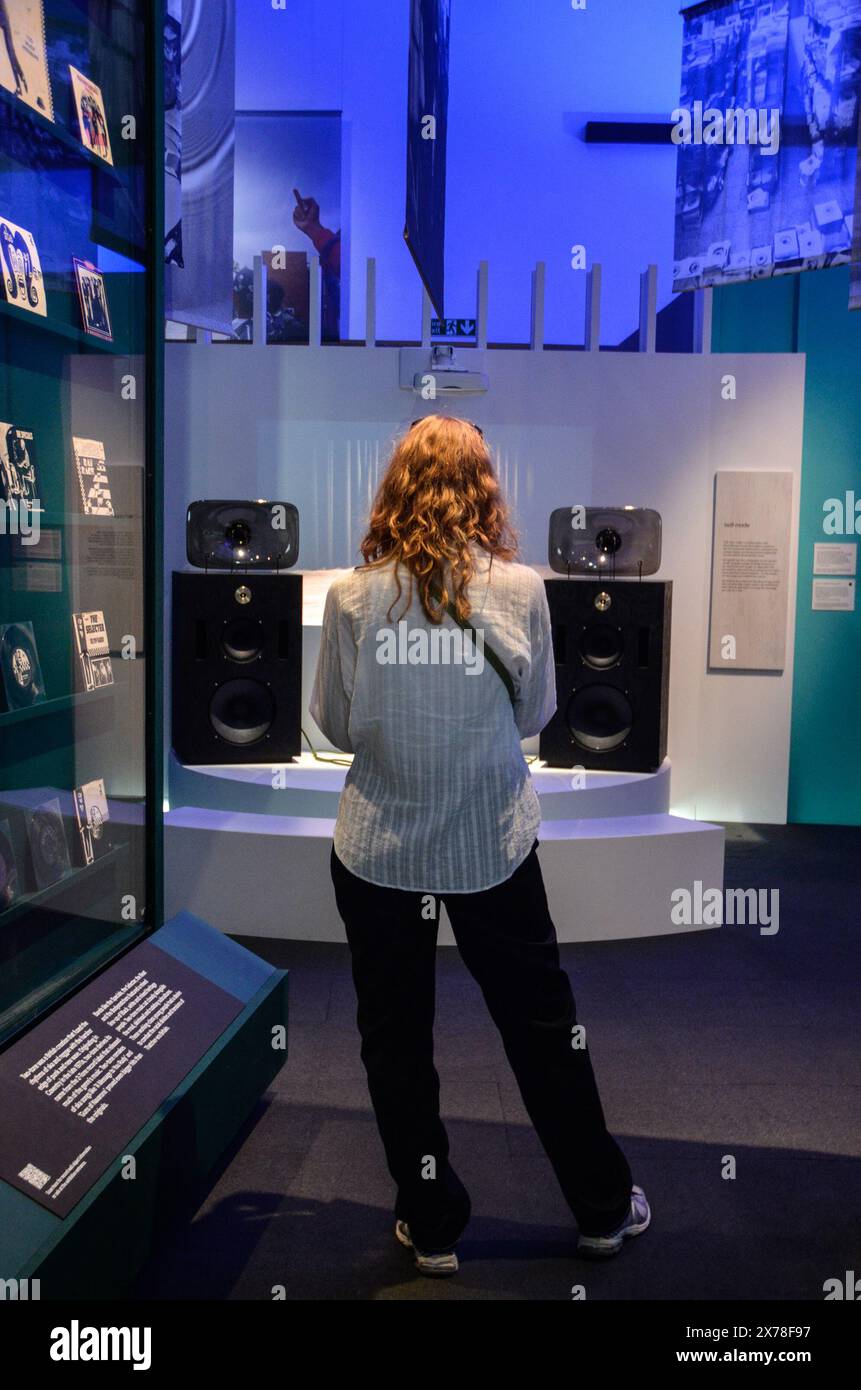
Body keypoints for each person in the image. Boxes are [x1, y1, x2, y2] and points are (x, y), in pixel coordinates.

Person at [310, 416, 649, 1278]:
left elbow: (336, 727)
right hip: (491, 842)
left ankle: (431, 1224)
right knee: (543, 1029)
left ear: (393, 487)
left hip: (378, 850)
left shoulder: (352, 598)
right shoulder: (523, 589)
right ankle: (602, 1208)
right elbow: (536, 715)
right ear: (482, 489)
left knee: (395, 1039)